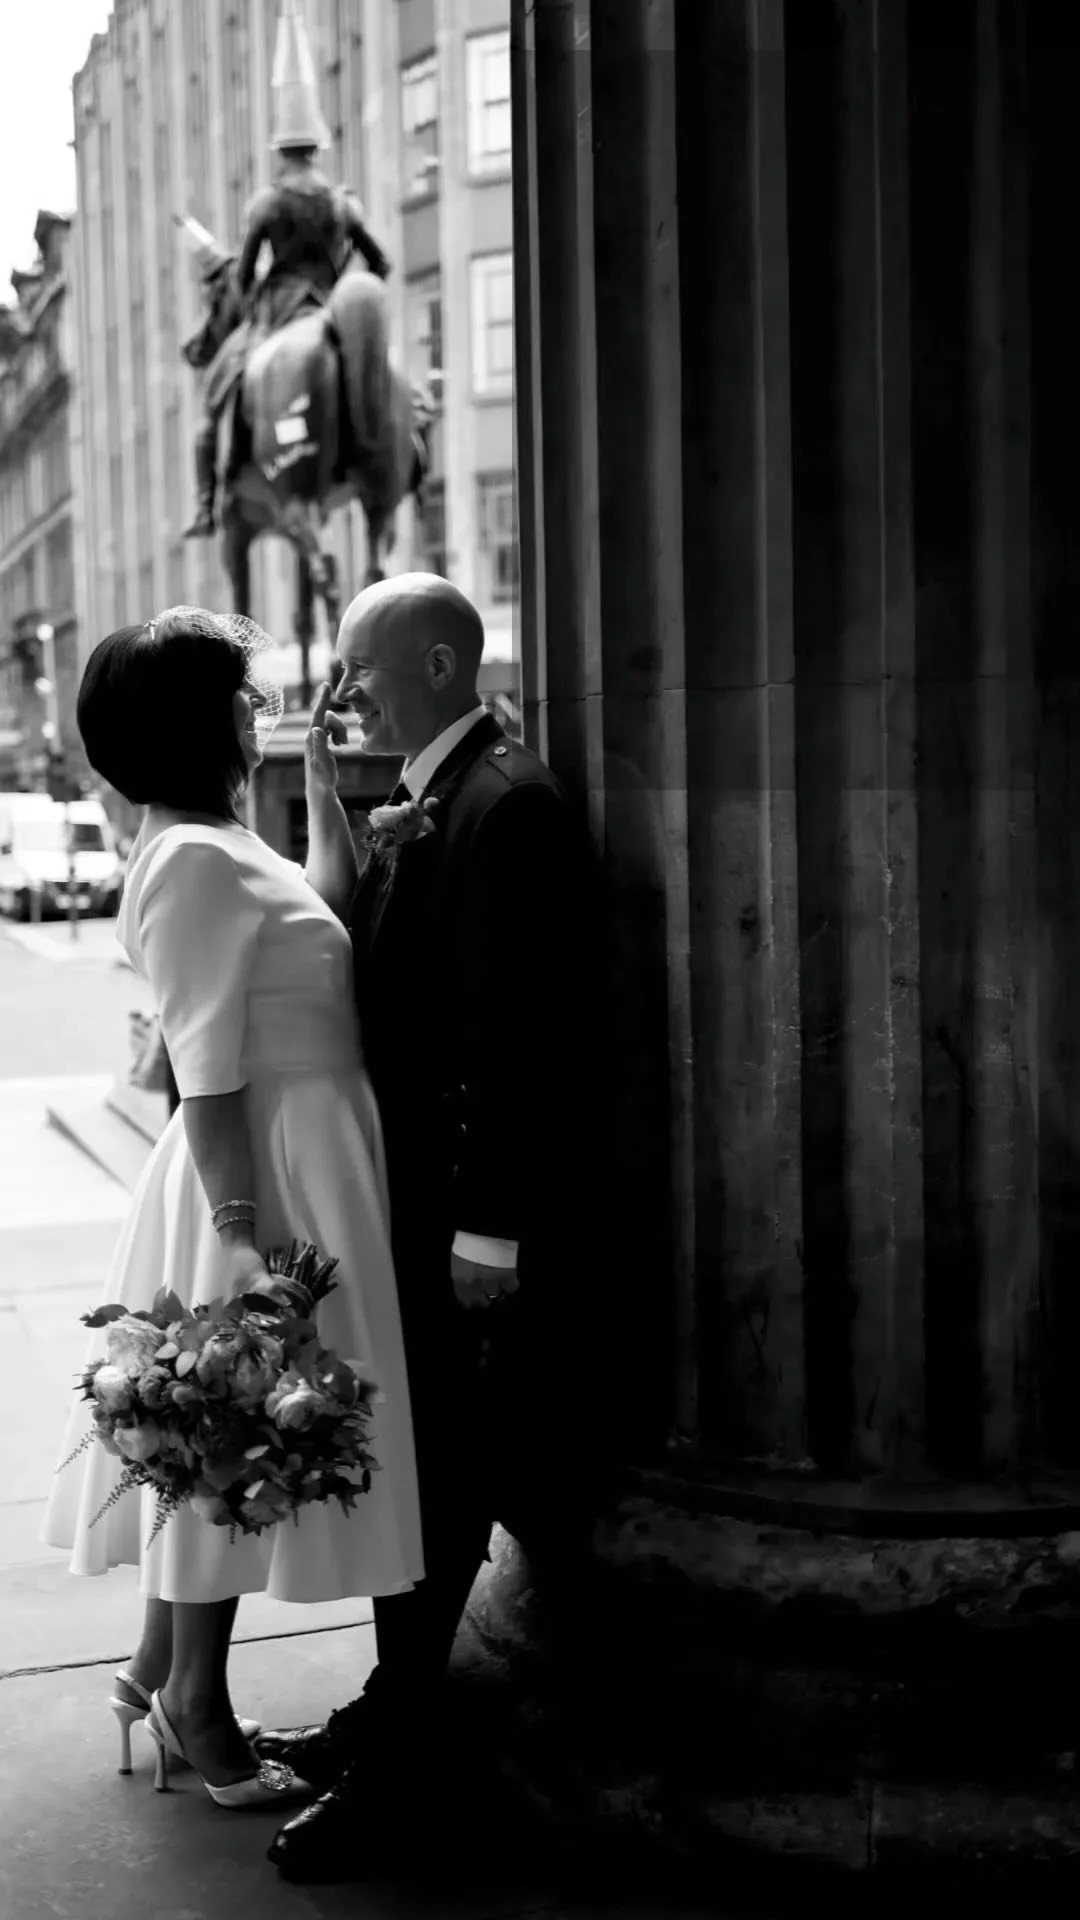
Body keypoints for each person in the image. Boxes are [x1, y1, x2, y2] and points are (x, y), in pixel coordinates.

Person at [43, 607, 423, 1809]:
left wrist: (318, 795)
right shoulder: (195, 857)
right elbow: (204, 1074)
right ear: (192, 720)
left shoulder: (218, 839)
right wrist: (249, 1241)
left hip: (300, 1144)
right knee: (230, 1443)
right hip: (259, 1167)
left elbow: (312, 915)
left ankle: (154, 1671)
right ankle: (192, 1705)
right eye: (242, 697)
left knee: (228, 1445)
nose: (257, 711)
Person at [256, 574, 599, 1884]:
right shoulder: (446, 797)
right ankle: (392, 1719)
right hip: (419, 1210)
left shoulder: (508, 808)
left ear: (444, 666)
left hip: (465, 1224)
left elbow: (520, 1035)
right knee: (422, 1477)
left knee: (446, 1486)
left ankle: (407, 1772)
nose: (343, 692)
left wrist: (491, 1230)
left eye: (360, 668)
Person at [184, 146, 391, 540]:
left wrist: (256, 289)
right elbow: (381, 264)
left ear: (282, 152)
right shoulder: (342, 204)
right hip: (333, 310)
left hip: (278, 313)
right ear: (316, 150)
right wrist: (341, 277)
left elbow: (243, 280)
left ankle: (206, 504)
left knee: (211, 402)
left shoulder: (268, 203)